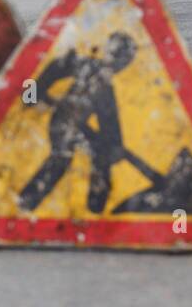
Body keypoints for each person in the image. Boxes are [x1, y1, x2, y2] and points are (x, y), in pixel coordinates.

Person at [17, 33, 140, 214]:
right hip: (62, 123)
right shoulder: (85, 65)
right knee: (61, 160)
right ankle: (25, 203)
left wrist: (114, 145)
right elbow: (54, 68)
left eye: (124, 60)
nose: (120, 64)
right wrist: (32, 96)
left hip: (79, 127)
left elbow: (108, 120)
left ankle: (96, 208)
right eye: (120, 57)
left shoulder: (105, 86)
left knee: (100, 157)